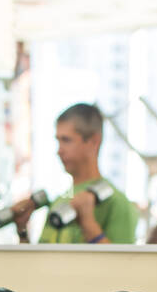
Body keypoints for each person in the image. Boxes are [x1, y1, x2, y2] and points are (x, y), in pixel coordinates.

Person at [12, 103, 138, 245]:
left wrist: (88, 223)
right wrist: (22, 229)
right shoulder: (59, 202)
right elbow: (40, 264)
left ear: (93, 141)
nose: (59, 150)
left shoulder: (117, 203)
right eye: (58, 141)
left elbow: (121, 266)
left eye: (66, 140)